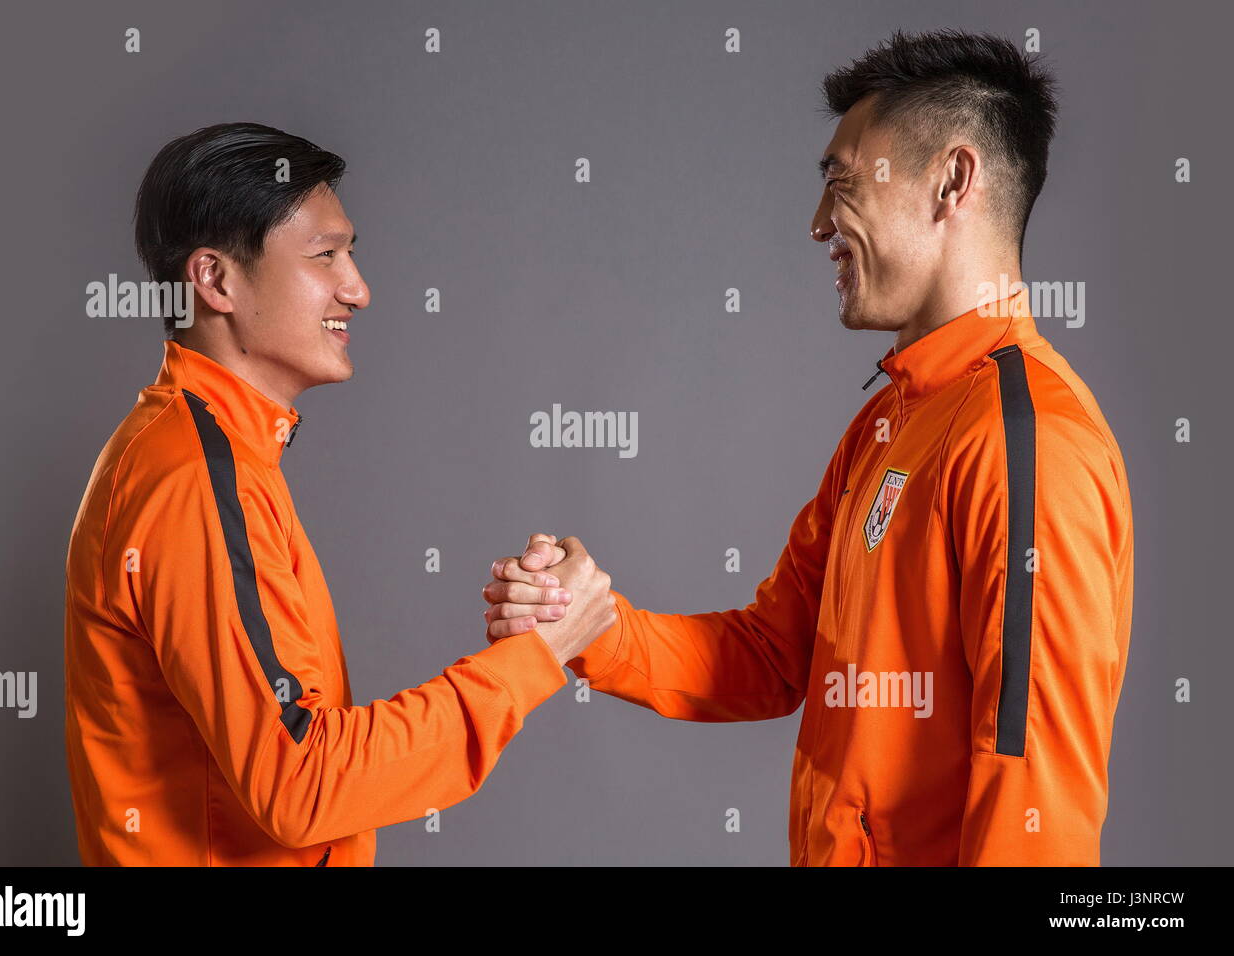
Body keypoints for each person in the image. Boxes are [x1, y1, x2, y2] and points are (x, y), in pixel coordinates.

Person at [483, 30, 1134, 866]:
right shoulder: (889, 422)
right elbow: (773, 654)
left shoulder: (1027, 439)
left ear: (951, 180)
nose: (819, 222)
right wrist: (590, 629)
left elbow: (1036, 784)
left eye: (841, 181)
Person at [64, 123, 616, 866]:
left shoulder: (215, 453)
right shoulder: (194, 476)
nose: (357, 289)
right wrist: (536, 657)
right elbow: (303, 783)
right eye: (326, 256)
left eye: (349, 255)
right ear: (215, 280)